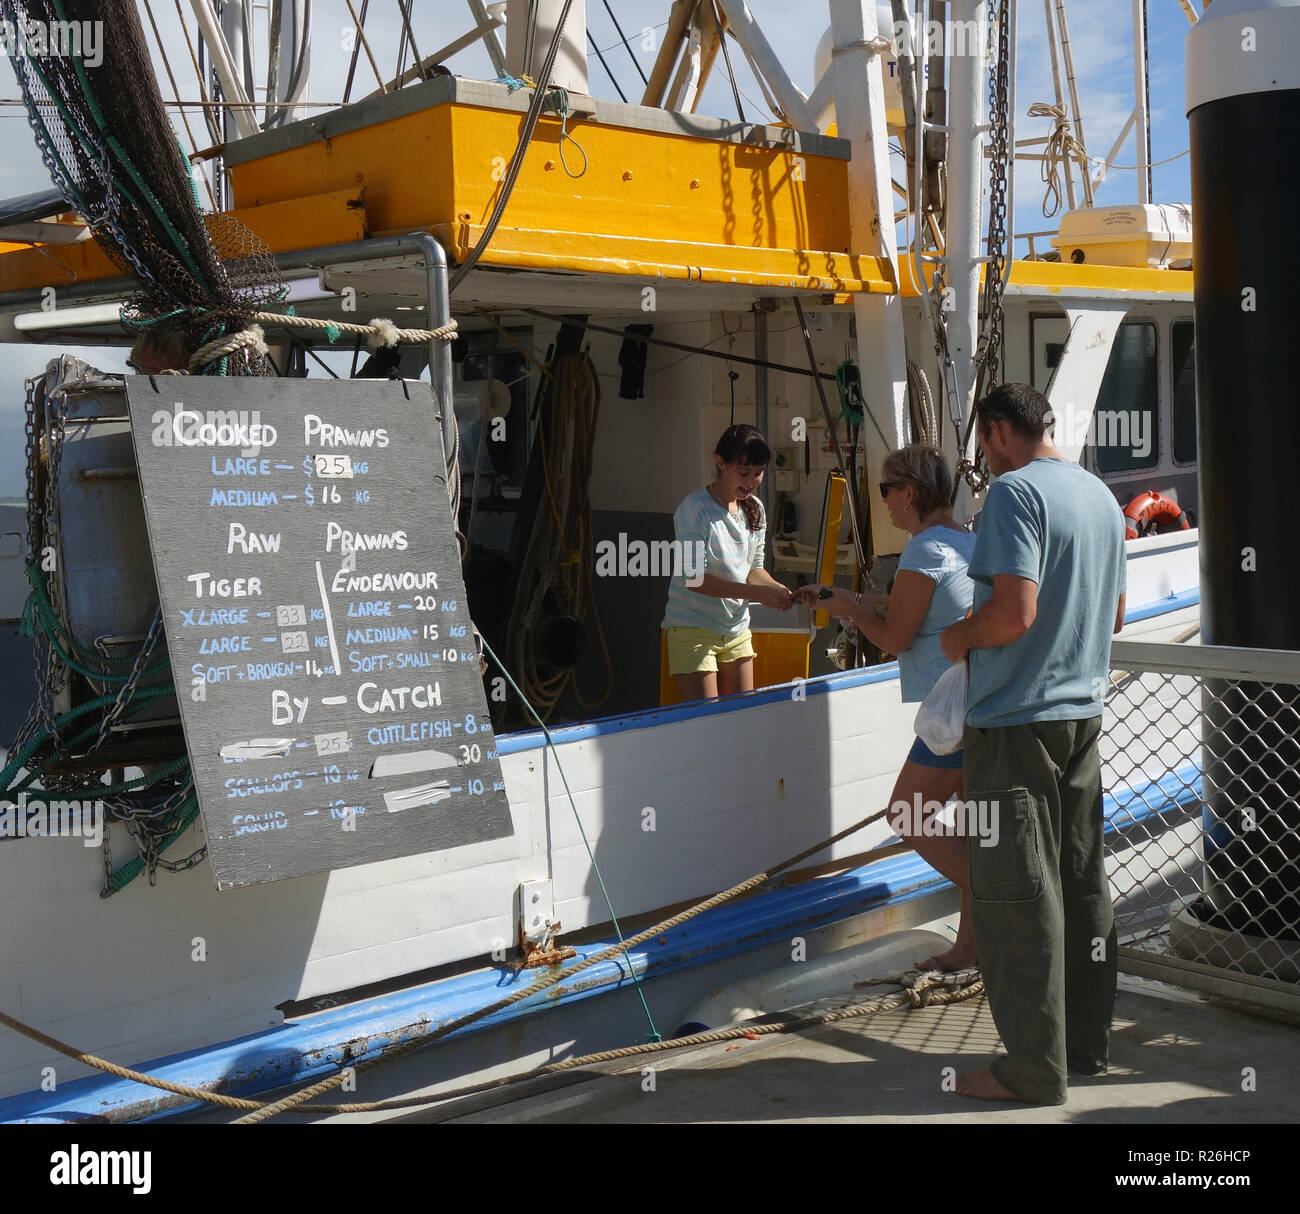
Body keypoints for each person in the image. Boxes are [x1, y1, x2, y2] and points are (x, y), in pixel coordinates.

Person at [939, 382, 1127, 1105]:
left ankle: (1032, 1069)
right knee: (1081, 883)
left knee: (1017, 894)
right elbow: (1110, 615)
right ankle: (1083, 1049)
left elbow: (1012, 614)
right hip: (1083, 718)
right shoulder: (1101, 498)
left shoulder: (1015, 496)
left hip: (1015, 724)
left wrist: (959, 638)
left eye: (984, 445)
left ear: (995, 433)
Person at [795, 444, 978, 971]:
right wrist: (848, 599)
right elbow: (921, 614)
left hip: (950, 719)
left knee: (908, 812)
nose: (887, 506)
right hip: (980, 707)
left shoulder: (923, 549)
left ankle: (997, 896)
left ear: (910, 493)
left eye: (886, 492)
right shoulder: (968, 539)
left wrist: (849, 607)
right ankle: (970, 950)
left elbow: (897, 638)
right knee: (969, 829)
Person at [662, 425, 792, 700]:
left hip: (736, 629)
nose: (752, 481)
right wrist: (757, 594)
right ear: (720, 464)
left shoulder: (755, 508)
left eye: (758, 473)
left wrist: (775, 589)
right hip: (692, 629)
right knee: (706, 723)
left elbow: (754, 568)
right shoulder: (693, 509)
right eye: (743, 473)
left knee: (740, 719)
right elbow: (693, 579)